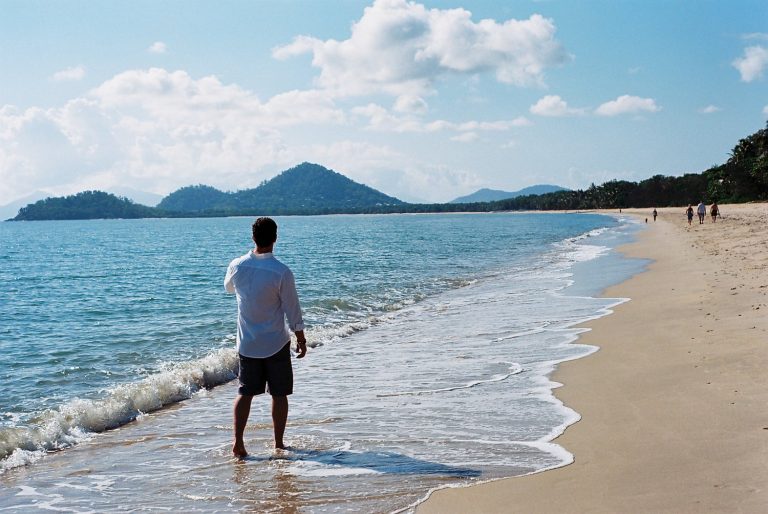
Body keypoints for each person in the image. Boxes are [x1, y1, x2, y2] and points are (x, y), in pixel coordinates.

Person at [224, 217, 307, 458]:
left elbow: (228, 288)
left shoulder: (237, 266)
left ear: (253, 237)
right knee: (279, 394)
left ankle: (238, 443)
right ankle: (278, 443)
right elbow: (293, 309)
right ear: (275, 238)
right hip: (276, 342)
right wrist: (300, 338)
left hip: (247, 343)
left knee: (245, 393)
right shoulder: (281, 271)